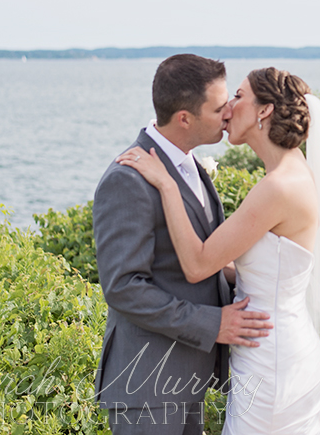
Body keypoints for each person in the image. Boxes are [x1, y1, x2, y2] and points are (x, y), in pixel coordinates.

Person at [118, 67, 320, 435]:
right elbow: (269, 267)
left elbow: (198, 264)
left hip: (273, 360)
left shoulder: (279, 187)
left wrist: (168, 185)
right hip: (275, 350)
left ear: (264, 110)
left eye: (239, 96)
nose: (229, 107)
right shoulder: (289, 174)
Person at [93, 54, 273, 435]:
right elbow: (123, 288)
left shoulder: (189, 166)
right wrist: (213, 324)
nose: (229, 113)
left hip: (186, 381)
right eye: (219, 108)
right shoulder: (127, 180)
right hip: (146, 385)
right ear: (184, 118)